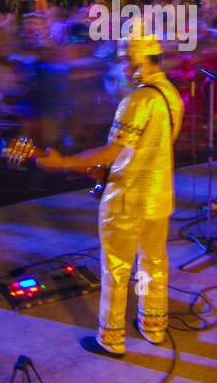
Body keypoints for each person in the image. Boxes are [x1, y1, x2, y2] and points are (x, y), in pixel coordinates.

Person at [36, 32, 183, 357]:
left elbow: (112, 152)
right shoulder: (172, 94)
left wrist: (64, 163)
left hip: (128, 198)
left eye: (125, 58)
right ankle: (153, 325)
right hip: (159, 195)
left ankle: (112, 337)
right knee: (154, 262)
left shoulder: (137, 101)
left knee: (116, 268)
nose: (122, 65)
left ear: (139, 58)